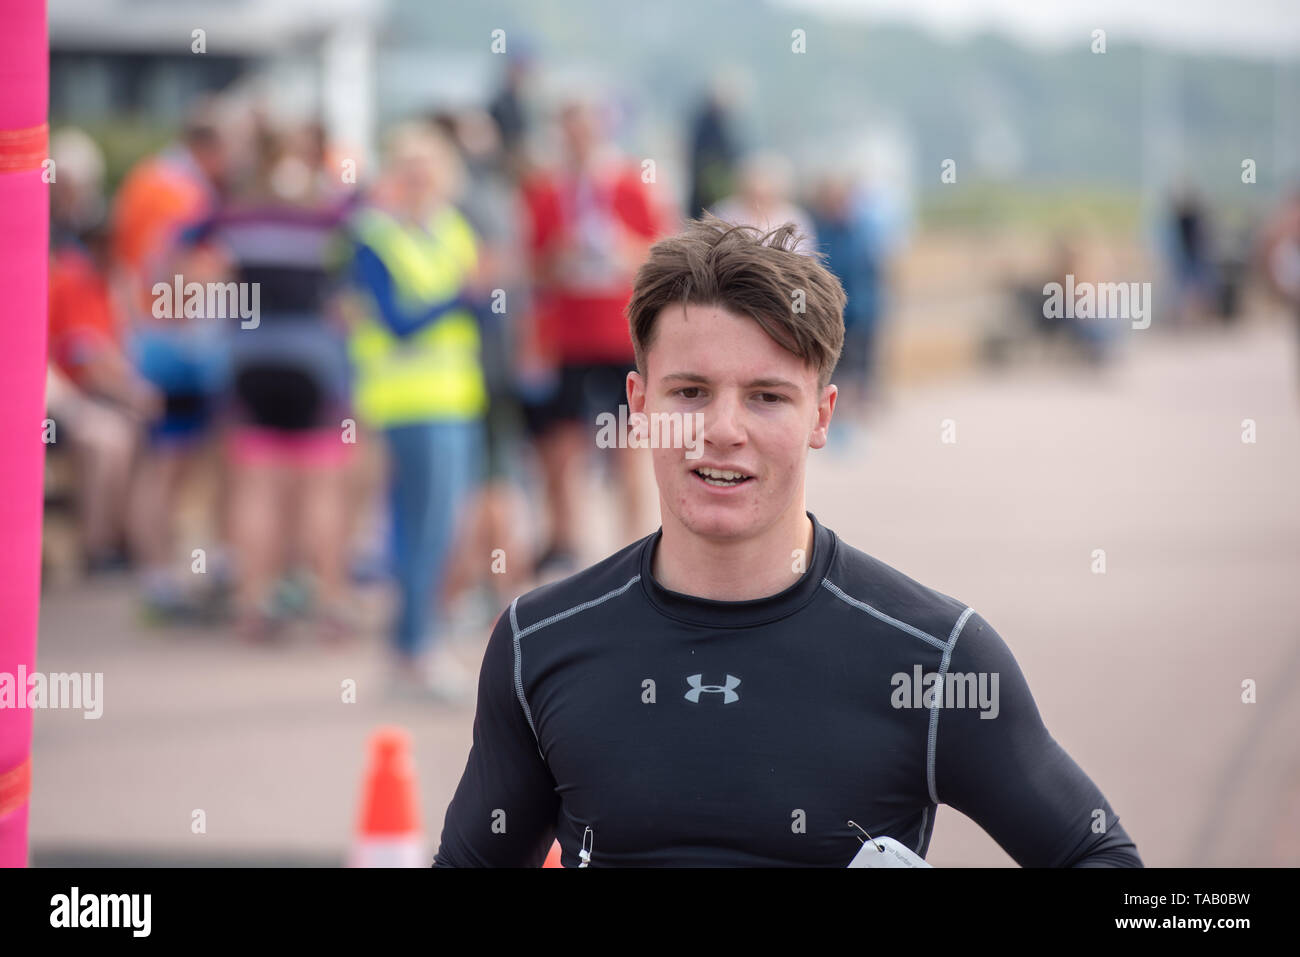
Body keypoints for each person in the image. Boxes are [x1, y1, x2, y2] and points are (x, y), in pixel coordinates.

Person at [433, 217, 1143, 867]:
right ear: (640, 406)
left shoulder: (933, 654)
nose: (724, 429)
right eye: (689, 392)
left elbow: (1104, 859)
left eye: (767, 396)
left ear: (821, 414)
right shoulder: (540, 642)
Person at [339, 121, 488, 699]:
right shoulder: (374, 237)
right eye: (410, 171)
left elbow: (479, 310)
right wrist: (458, 298)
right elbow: (396, 323)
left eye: (430, 172)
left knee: (436, 529)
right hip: (407, 403)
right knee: (421, 530)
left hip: (455, 397)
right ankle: (416, 649)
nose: (420, 183)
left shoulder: (453, 230)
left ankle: (409, 646)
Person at [517, 97, 665, 575]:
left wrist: (622, 247)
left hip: (620, 334)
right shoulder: (545, 192)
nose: (578, 139)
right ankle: (567, 544)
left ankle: (635, 547)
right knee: (562, 447)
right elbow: (531, 268)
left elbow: (661, 254)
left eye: (587, 129)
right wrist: (557, 258)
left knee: (629, 445)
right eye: (570, 130)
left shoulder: (631, 183)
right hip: (566, 338)